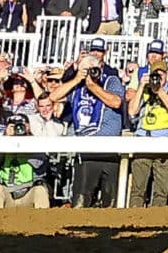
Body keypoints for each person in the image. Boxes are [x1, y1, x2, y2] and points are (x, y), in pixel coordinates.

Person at [46, 37, 127, 206]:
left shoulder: (110, 80)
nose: (90, 72)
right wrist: (77, 78)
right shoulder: (77, 86)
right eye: (86, 69)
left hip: (109, 148)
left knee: (110, 200)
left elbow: (116, 102)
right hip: (86, 149)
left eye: (93, 69)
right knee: (81, 199)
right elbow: (53, 96)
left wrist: (93, 86)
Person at [124, 40, 168, 208]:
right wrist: (141, 87)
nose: (159, 77)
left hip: (165, 141)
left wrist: (160, 91)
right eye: (155, 74)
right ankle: (133, 218)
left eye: (162, 74)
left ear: (166, 74)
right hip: (144, 138)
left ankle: (156, 220)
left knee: (161, 191)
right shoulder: (144, 89)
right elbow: (132, 111)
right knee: (137, 189)